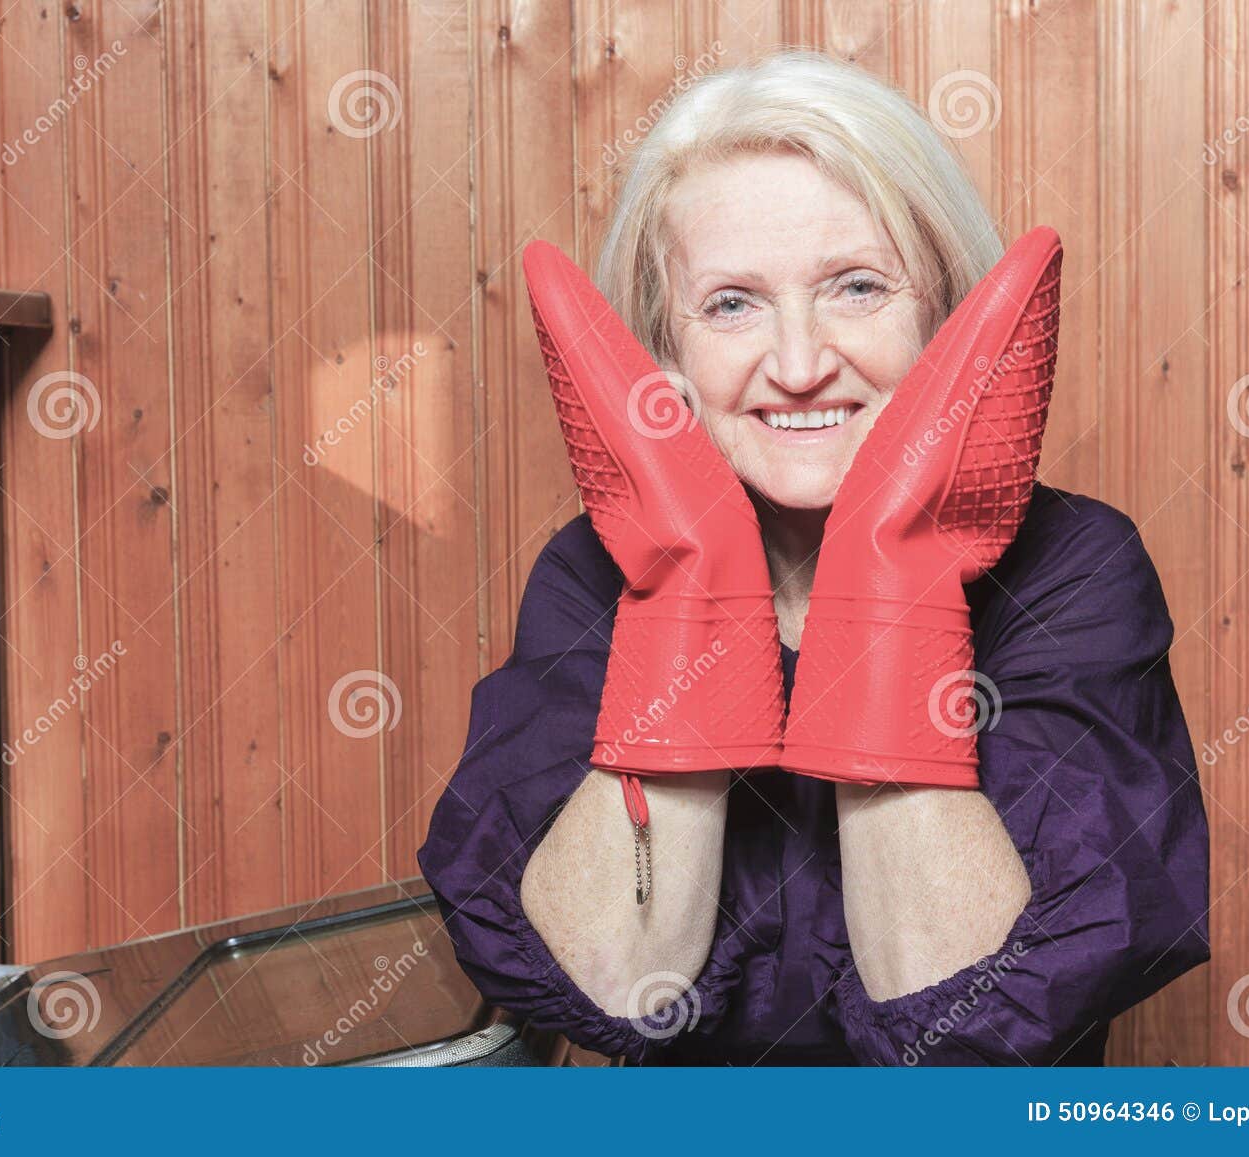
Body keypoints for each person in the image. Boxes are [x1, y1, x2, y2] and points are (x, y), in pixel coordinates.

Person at [416, 49, 1209, 1065]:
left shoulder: (1075, 568)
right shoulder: (595, 574)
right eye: (732, 303)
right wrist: (687, 588)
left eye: (857, 287)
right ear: (663, 356)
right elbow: (605, 978)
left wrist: (894, 564)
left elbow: (955, 1013)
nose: (797, 365)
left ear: (951, 319)